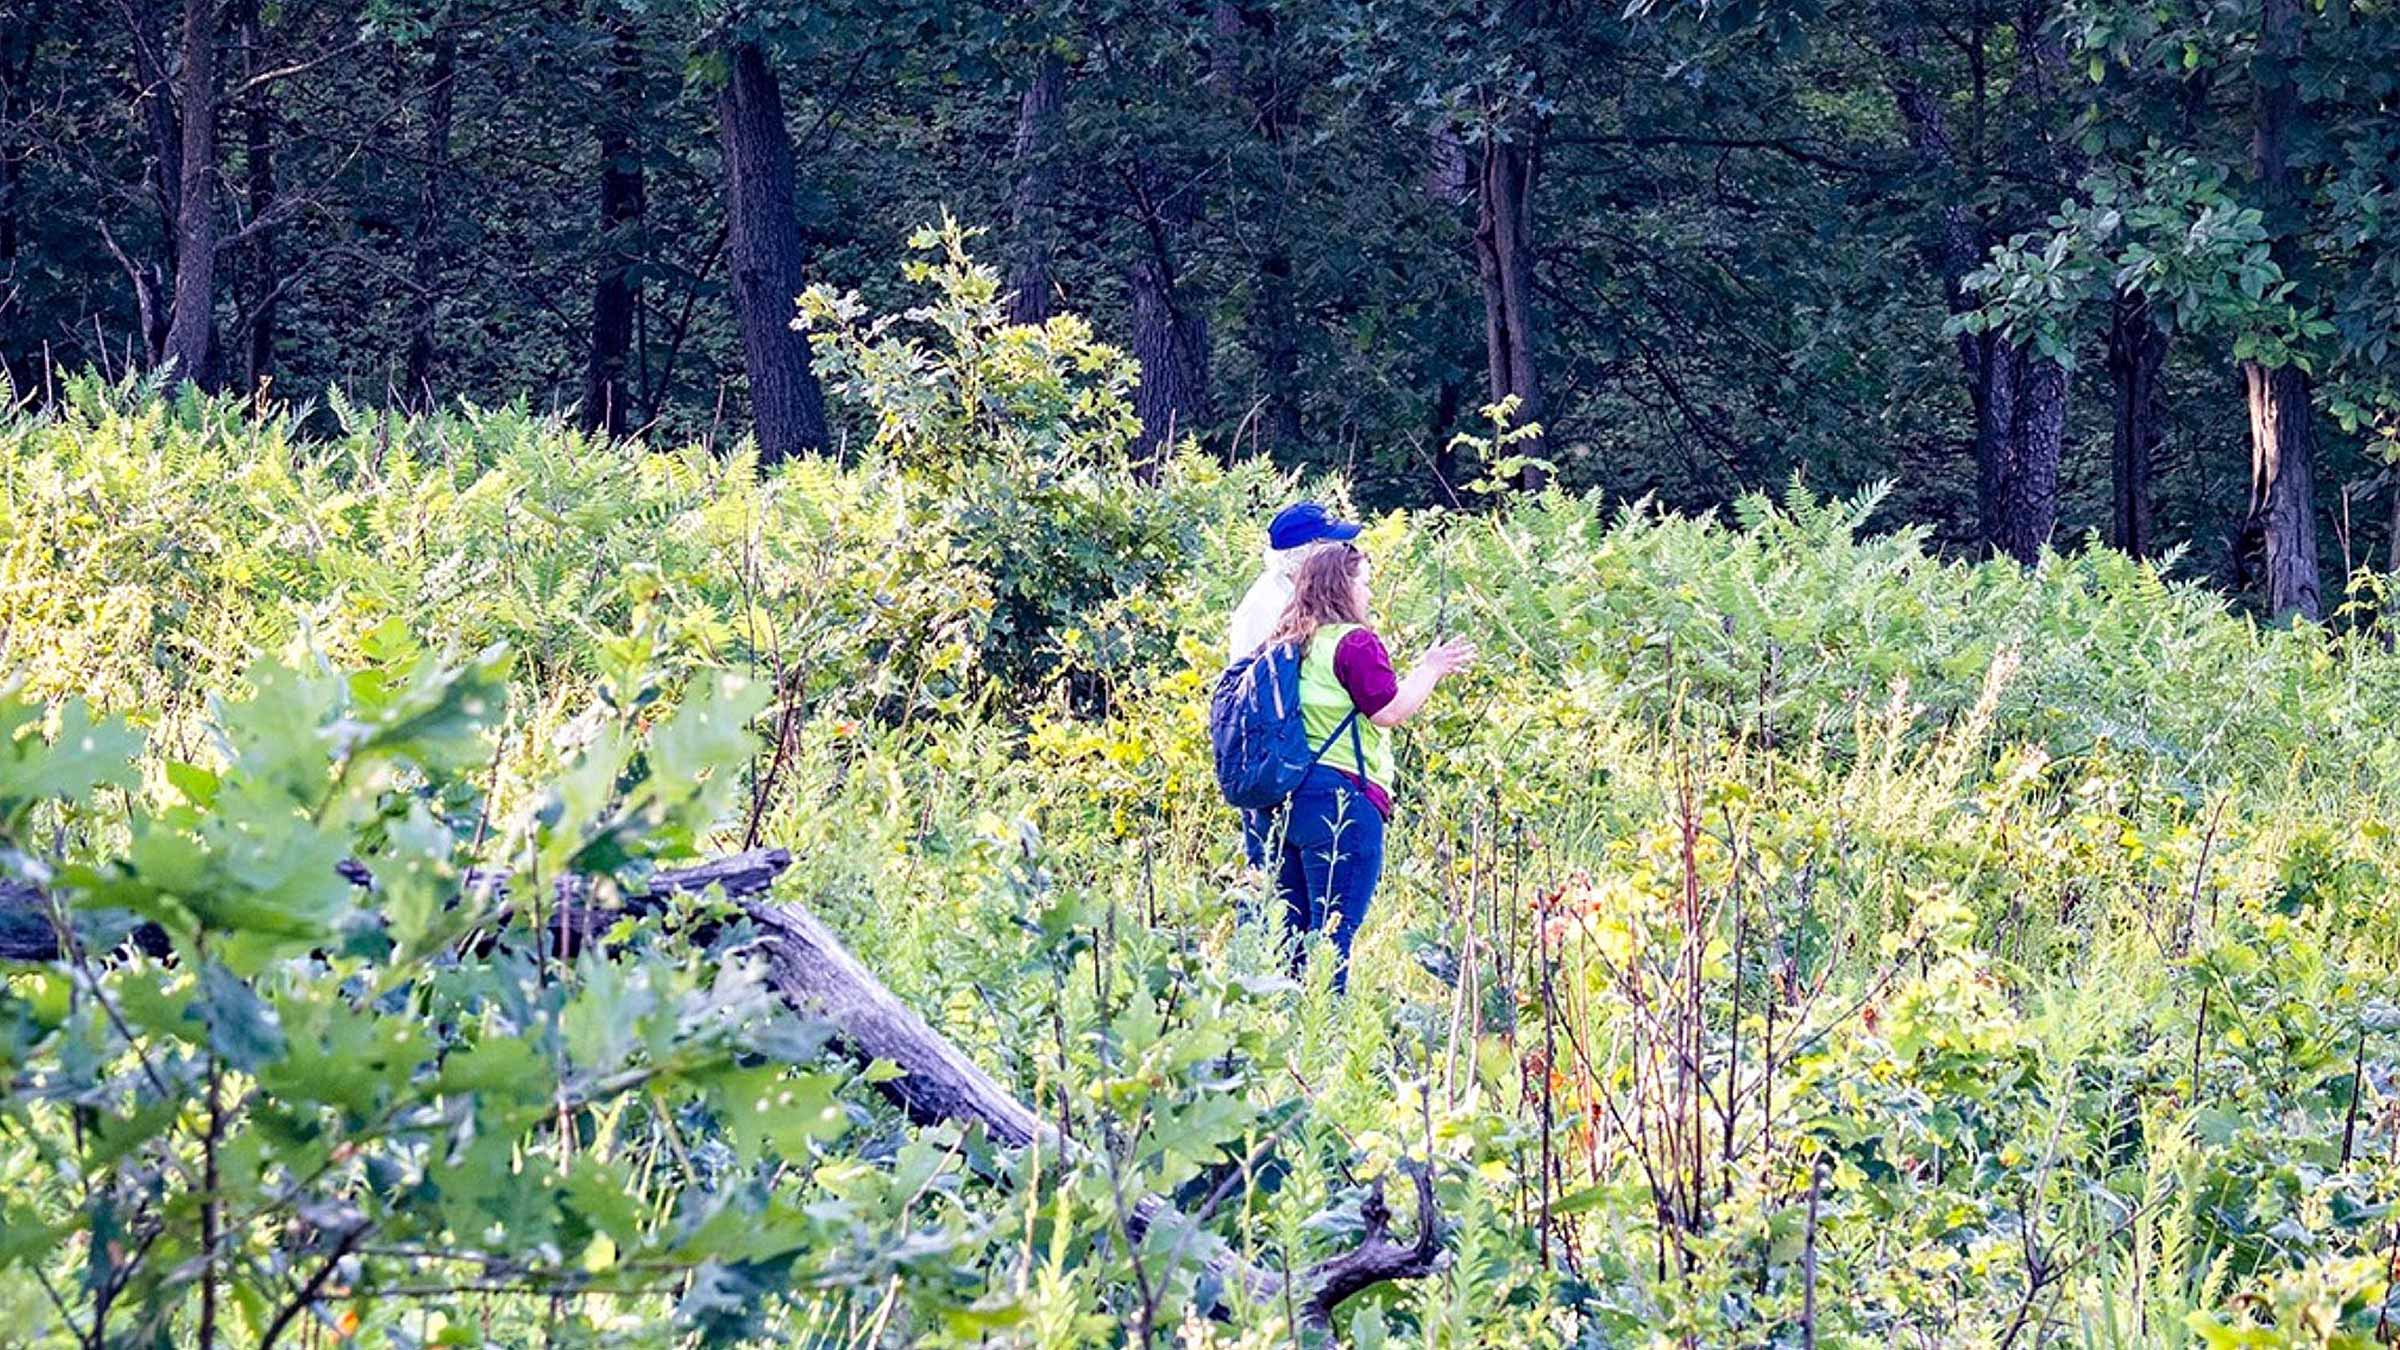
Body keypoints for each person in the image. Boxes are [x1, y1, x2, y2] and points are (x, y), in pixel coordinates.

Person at [1262, 541, 1473, 992]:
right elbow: (1389, 711)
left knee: (1291, 936)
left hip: (1283, 801)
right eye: (1364, 582)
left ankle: (1283, 1031)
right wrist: (1431, 668)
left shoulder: (1288, 641)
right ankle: (1325, 1039)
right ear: (1343, 585)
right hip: (1341, 802)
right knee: (1333, 933)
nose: (1369, 593)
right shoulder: (1354, 643)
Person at [1229, 501, 1365, 869]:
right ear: (1305, 555)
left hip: (1281, 763)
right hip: (1271, 763)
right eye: (1330, 544)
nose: (1341, 555)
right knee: (1269, 882)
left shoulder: (1285, 598)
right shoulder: (1272, 605)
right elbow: (1267, 697)